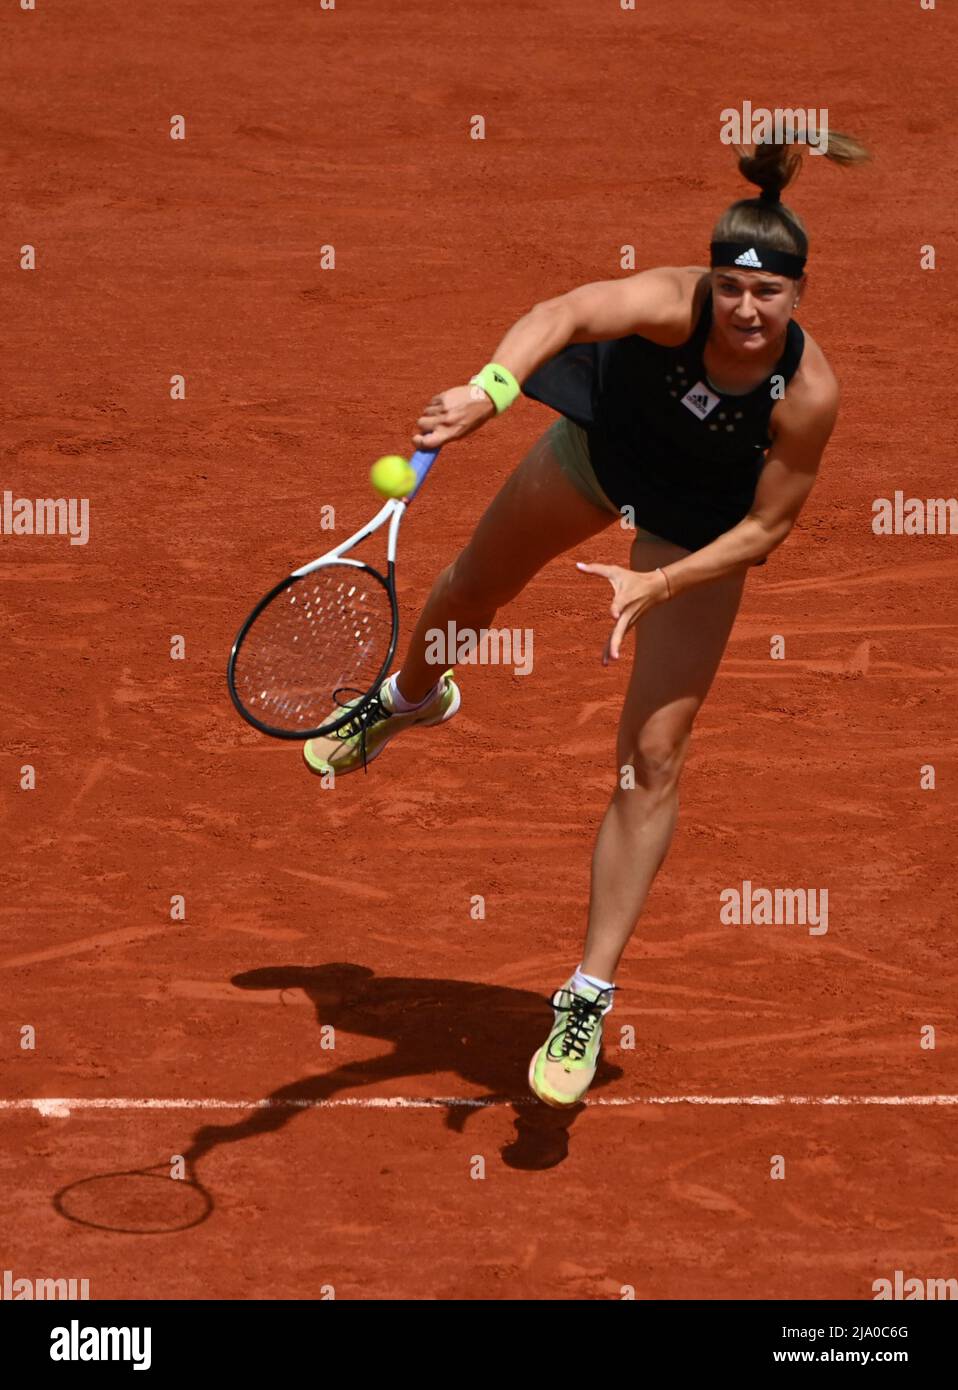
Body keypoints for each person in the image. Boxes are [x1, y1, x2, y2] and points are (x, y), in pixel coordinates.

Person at [304, 133, 869, 1107]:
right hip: (602, 457)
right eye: (729, 288)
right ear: (709, 280)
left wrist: (658, 585)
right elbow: (559, 314)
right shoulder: (670, 300)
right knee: (471, 586)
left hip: (699, 531)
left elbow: (769, 524)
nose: (743, 308)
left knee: (652, 755)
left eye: (766, 294)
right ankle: (405, 698)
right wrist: (488, 392)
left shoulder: (806, 396)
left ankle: (586, 990)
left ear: (796, 295)